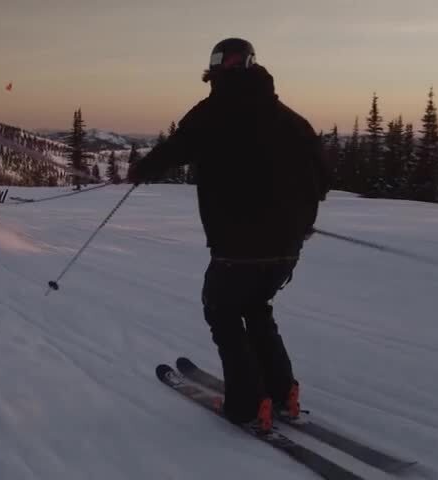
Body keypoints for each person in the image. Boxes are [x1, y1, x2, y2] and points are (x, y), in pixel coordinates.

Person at [127, 38, 328, 433]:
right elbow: (322, 175)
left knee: (221, 308)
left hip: (238, 244)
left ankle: (248, 404)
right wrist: (300, 216)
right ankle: (281, 391)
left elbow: (174, 150)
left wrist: (140, 171)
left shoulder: (212, 112)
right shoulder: (289, 118)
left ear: (216, 68)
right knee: (255, 307)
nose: (229, 66)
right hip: (285, 247)